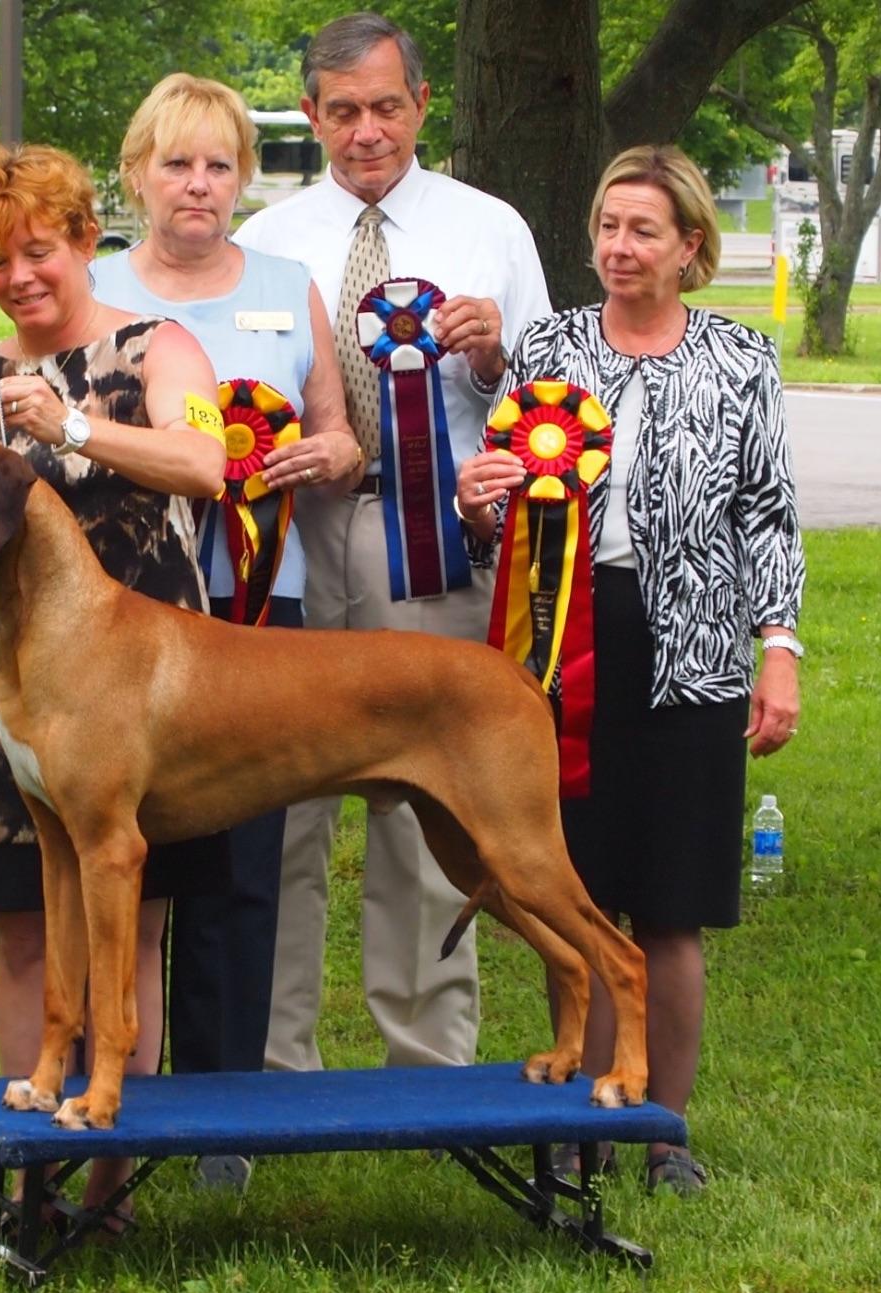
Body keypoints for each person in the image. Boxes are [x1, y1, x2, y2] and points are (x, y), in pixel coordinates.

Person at [477, 144, 804, 1194]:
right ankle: (584, 1108)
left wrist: (778, 652)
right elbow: (503, 493)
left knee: (669, 905)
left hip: (696, 657)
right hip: (562, 643)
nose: (618, 249)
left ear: (690, 247)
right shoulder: (548, 343)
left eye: (643, 231)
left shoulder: (740, 358)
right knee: (574, 896)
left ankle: (661, 1125)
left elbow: (766, 515)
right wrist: (480, 498)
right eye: (607, 228)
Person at [233, 12, 551, 1072]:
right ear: (312, 116)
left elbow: (550, 407)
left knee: (427, 816)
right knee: (277, 809)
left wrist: (494, 354)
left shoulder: (489, 229)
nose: (364, 131)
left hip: (426, 545)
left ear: (420, 105)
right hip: (282, 542)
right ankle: (271, 1065)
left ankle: (427, 1070)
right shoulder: (267, 239)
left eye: (383, 107)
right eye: (340, 111)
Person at [0, 142, 225, 1219]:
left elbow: (206, 464)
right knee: (23, 930)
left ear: (84, 241)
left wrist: (70, 424)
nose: (17, 278)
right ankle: (32, 1180)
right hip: (8, 695)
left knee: (128, 926)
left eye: (38, 252)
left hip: (147, 689)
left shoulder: (158, 349)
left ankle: (112, 1178)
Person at [92, 72, 356, 1191]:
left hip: (258, 609)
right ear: (135, 172)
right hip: (123, 618)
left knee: (247, 867)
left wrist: (326, 455)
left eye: (216, 165)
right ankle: (123, 1099)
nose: (195, 186)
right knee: (130, 866)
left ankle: (223, 1121)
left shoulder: (291, 287)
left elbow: (343, 437)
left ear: (241, 176)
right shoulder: (90, 288)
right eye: (174, 163)